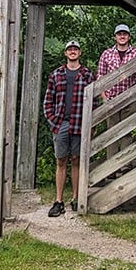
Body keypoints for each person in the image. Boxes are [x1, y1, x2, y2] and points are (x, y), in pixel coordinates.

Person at [43, 39, 94, 216]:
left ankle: (75, 198)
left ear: (80, 53)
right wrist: (52, 121)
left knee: (76, 160)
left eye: (75, 49)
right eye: (70, 49)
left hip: (80, 123)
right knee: (61, 160)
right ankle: (58, 200)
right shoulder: (56, 75)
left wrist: (91, 123)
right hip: (61, 124)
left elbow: (93, 101)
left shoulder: (87, 74)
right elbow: (48, 100)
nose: (72, 51)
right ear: (65, 53)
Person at [97, 24, 136, 159]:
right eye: (119, 34)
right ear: (115, 37)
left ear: (129, 37)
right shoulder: (106, 54)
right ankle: (110, 166)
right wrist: (104, 97)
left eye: (124, 34)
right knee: (111, 133)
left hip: (129, 99)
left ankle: (125, 163)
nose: (122, 36)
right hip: (111, 99)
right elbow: (100, 77)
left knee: (126, 131)